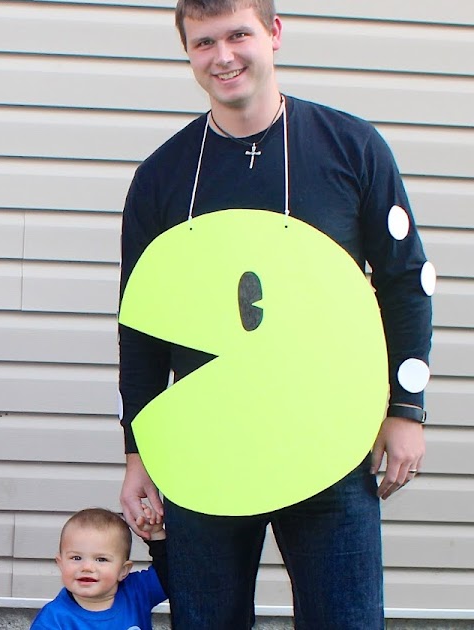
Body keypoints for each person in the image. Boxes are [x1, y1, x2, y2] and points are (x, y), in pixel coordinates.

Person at [117, 0, 432, 628]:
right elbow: (142, 327)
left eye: (239, 35)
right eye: (205, 42)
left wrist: (405, 410)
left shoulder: (352, 148)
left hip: (328, 443)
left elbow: (406, 282)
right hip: (205, 449)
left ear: (275, 34)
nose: (224, 56)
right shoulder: (161, 177)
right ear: (187, 51)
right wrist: (138, 452)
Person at [30, 507, 167, 630]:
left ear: (123, 570)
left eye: (101, 559)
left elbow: (169, 575)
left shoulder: (137, 592)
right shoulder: (53, 620)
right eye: (76, 558)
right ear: (60, 564)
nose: (87, 567)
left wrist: (156, 535)